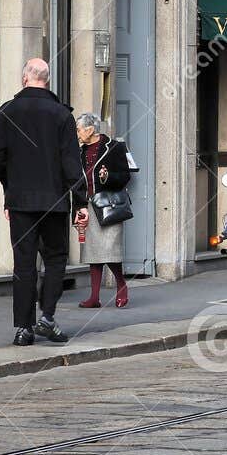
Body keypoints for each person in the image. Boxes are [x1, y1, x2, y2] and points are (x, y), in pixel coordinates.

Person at [0, 58, 85, 346]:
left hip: (21, 202)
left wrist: (10, 188)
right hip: (54, 201)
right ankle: (47, 318)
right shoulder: (61, 114)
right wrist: (80, 202)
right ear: (48, 80)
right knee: (55, 259)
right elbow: (71, 163)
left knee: (24, 264)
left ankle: (23, 328)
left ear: (24, 79)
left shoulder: (7, 112)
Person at [75, 112, 135, 310]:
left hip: (110, 206)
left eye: (79, 129)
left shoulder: (115, 147)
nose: (77, 133)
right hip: (89, 205)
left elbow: (125, 176)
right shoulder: (80, 152)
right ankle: (94, 297)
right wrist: (78, 206)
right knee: (93, 253)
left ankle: (121, 285)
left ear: (90, 130)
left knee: (109, 251)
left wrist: (108, 176)